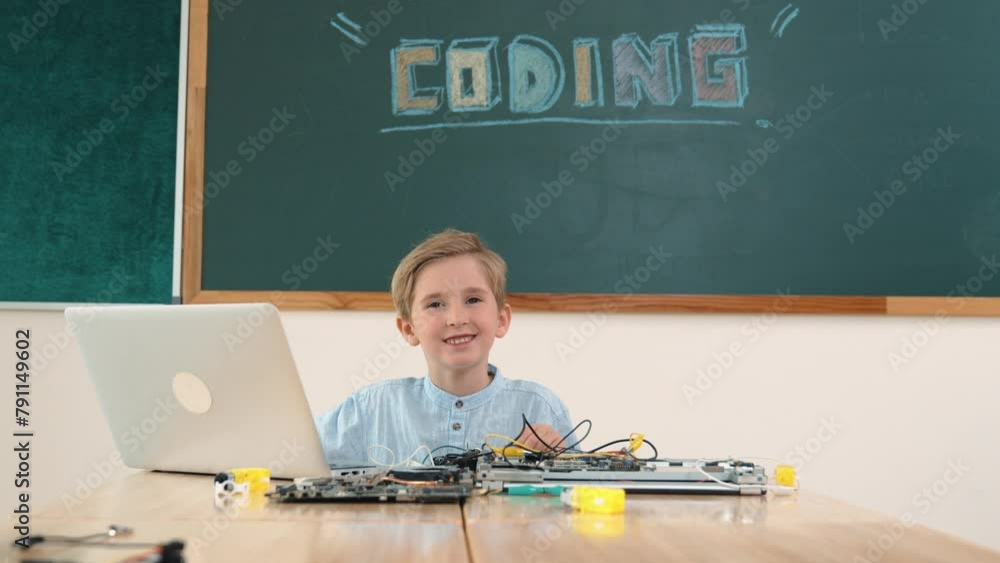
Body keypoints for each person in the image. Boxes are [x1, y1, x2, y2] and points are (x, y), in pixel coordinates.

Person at [315, 228, 576, 465]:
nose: (457, 319)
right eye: (435, 304)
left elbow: (584, 496)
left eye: (473, 299)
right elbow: (287, 453)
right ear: (408, 329)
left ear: (501, 320)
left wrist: (561, 462)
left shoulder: (540, 407)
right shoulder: (371, 408)